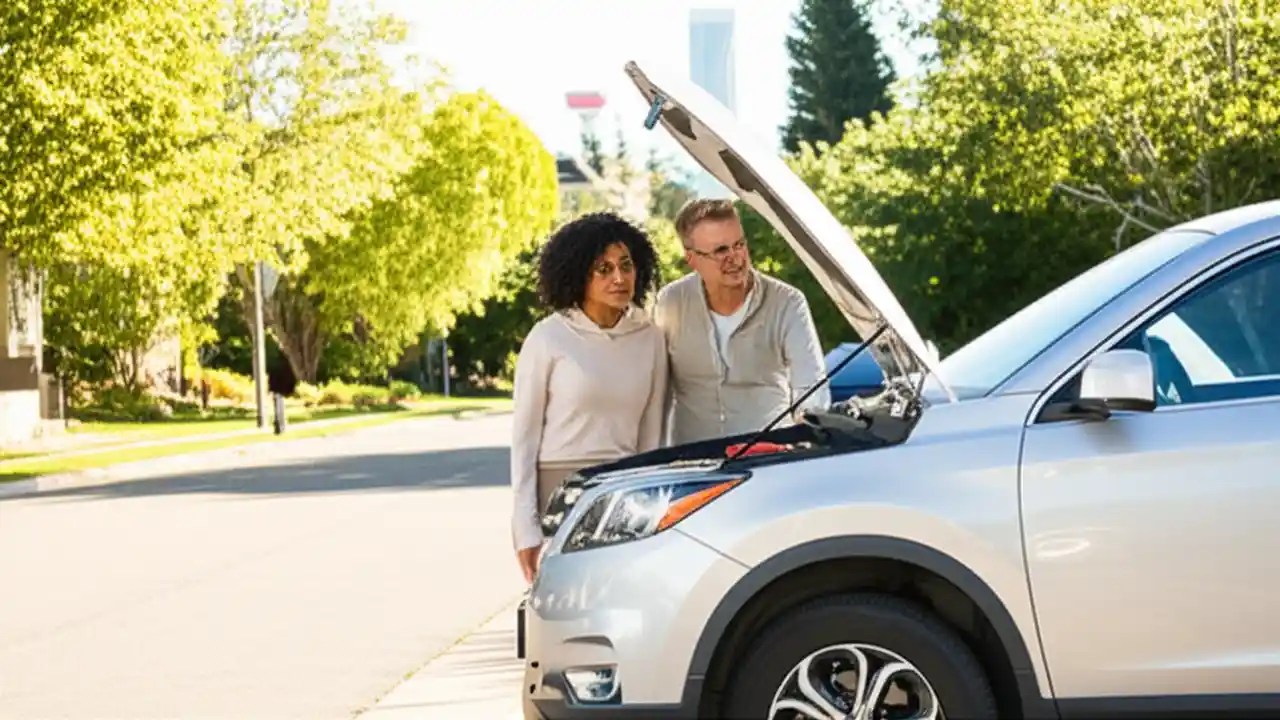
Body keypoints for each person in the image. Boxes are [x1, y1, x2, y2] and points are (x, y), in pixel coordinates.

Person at [510, 211, 668, 583]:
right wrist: (525, 526)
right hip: (562, 493)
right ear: (579, 274)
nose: (618, 277)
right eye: (603, 268)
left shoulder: (650, 337)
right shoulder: (548, 337)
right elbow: (524, 439)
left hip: (626, 491)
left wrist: (649, 505)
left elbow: (652, 432)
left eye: (625, 265)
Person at [653, 198, 829, 445]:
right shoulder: (670, 302)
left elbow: (812, 385)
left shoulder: (787, 302)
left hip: (768, 458)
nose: (735, 258)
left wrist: (805, 437)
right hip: (692, 464)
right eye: (721, 251)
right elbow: (655, 388)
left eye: (739, 245)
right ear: (692, 258)